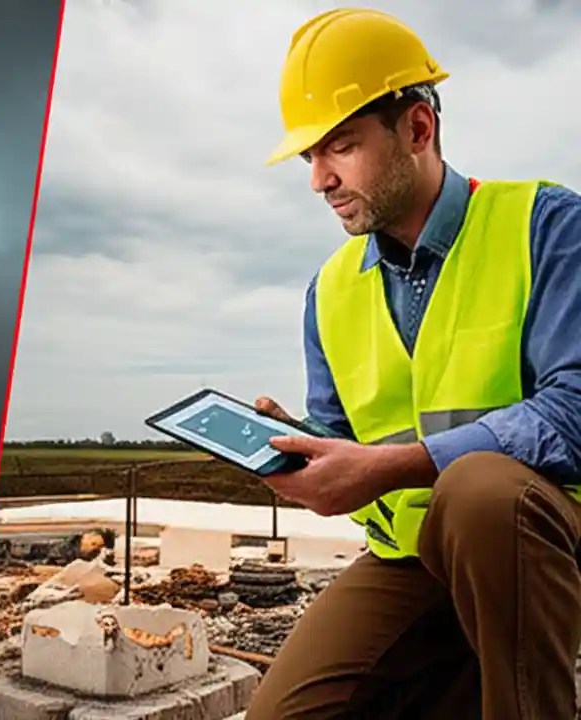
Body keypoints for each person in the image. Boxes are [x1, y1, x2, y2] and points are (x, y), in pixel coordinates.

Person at [245, 8, 581, 719]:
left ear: (418, 129)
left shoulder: (546, 226)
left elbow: (576, 409)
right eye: (310, 157)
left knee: (483, 491)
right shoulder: (329, 290)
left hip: (545, 543)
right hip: (412, 558)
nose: (320, 180)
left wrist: (398, 465)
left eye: (339, 146)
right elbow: (353, 449)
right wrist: (303, 453)